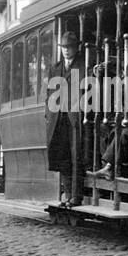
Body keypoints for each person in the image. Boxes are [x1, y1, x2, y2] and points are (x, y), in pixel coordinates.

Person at [45, 31, 86, 205]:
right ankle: (67, 194)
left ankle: (76, 197)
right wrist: (48, 114)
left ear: (76, 48)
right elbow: (49, 93)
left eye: (69, 47)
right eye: (64, 48)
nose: (66, 51)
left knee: (76, 156)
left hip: (75, 118)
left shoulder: (83, 66)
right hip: (58, 118)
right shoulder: (55, 68)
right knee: (62, 157)